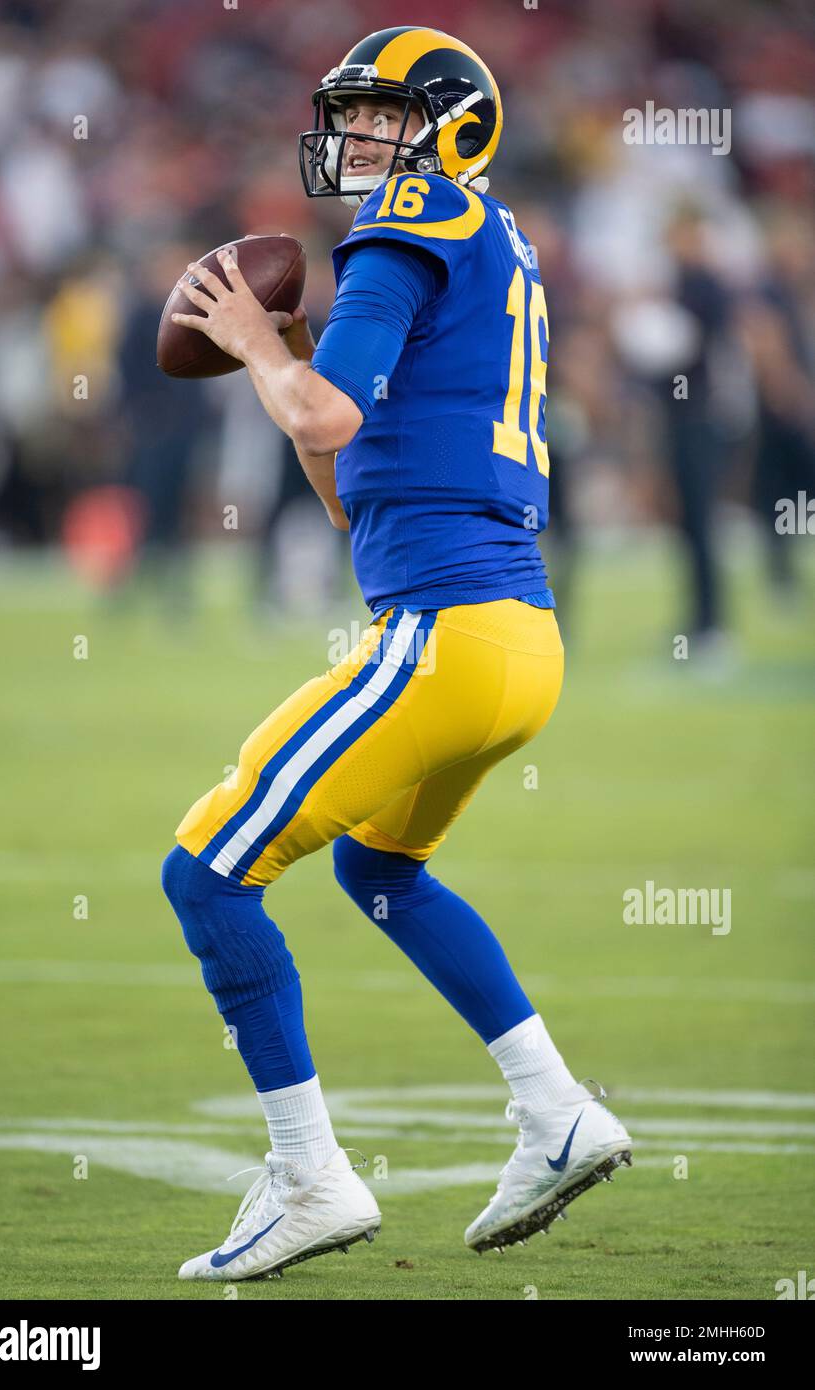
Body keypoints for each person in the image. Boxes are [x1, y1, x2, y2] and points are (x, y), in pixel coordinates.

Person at [161, 25, 632, 1283]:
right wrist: (296, 358)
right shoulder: (494, 235)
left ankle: (309, 1176)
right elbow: (338, 475)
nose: (358, 138)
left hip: (444, 631)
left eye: (382, 116)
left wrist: (261, 349)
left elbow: (319, 410)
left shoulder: (414, 214)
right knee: (378, 871)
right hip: (515, 642)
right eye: (353, 117)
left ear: (449, 124)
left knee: (204, 874)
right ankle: (555, 1110)